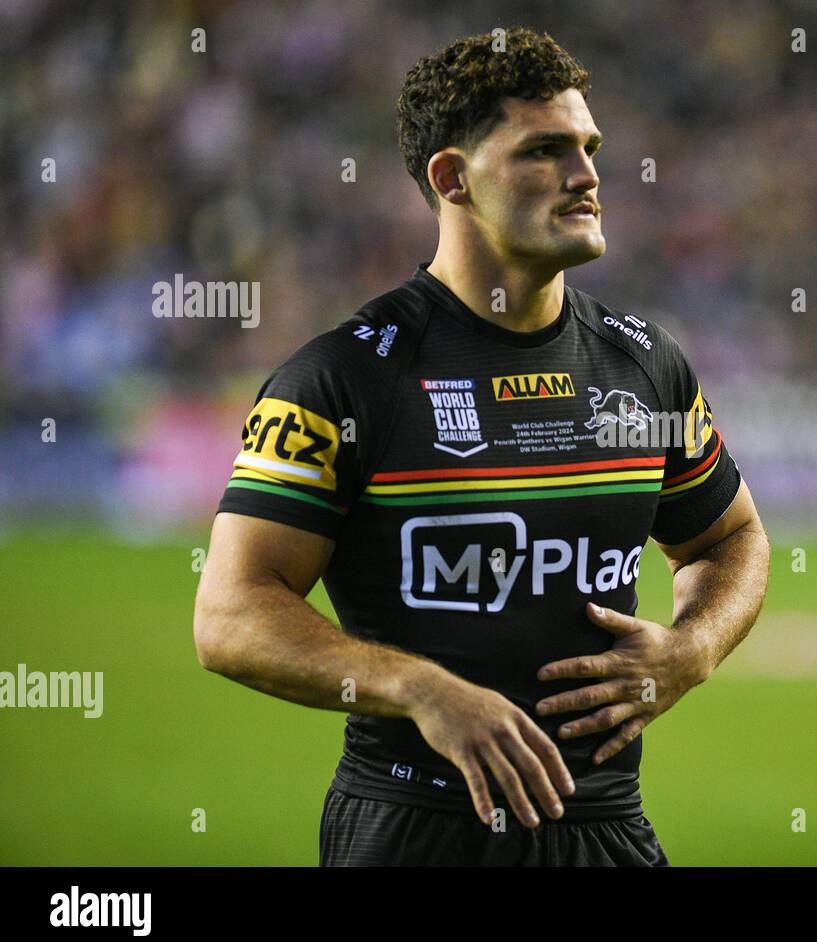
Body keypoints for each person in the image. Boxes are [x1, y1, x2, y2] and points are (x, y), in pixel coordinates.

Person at [193, 25, 770, 866]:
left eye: (589, 146)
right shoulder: (344, 379)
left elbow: (731, 538)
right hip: (414, 830)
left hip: (604, 828)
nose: (587, 175)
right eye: (546, 151)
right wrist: (419, 689)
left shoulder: (644, 365)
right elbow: (231, 614)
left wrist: (693, 649)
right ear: (452, 178)